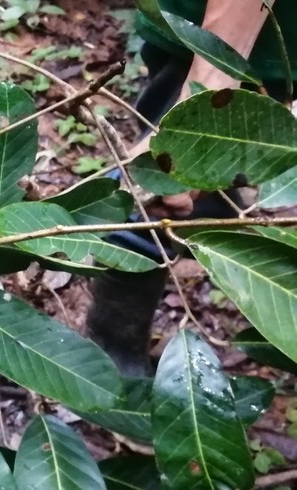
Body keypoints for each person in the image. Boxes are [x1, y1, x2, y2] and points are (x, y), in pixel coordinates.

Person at [83, 0, 297, 377]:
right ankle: (110, 359)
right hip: (227, 44)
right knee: (163, 200)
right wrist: (206, 94)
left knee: (211, 202)